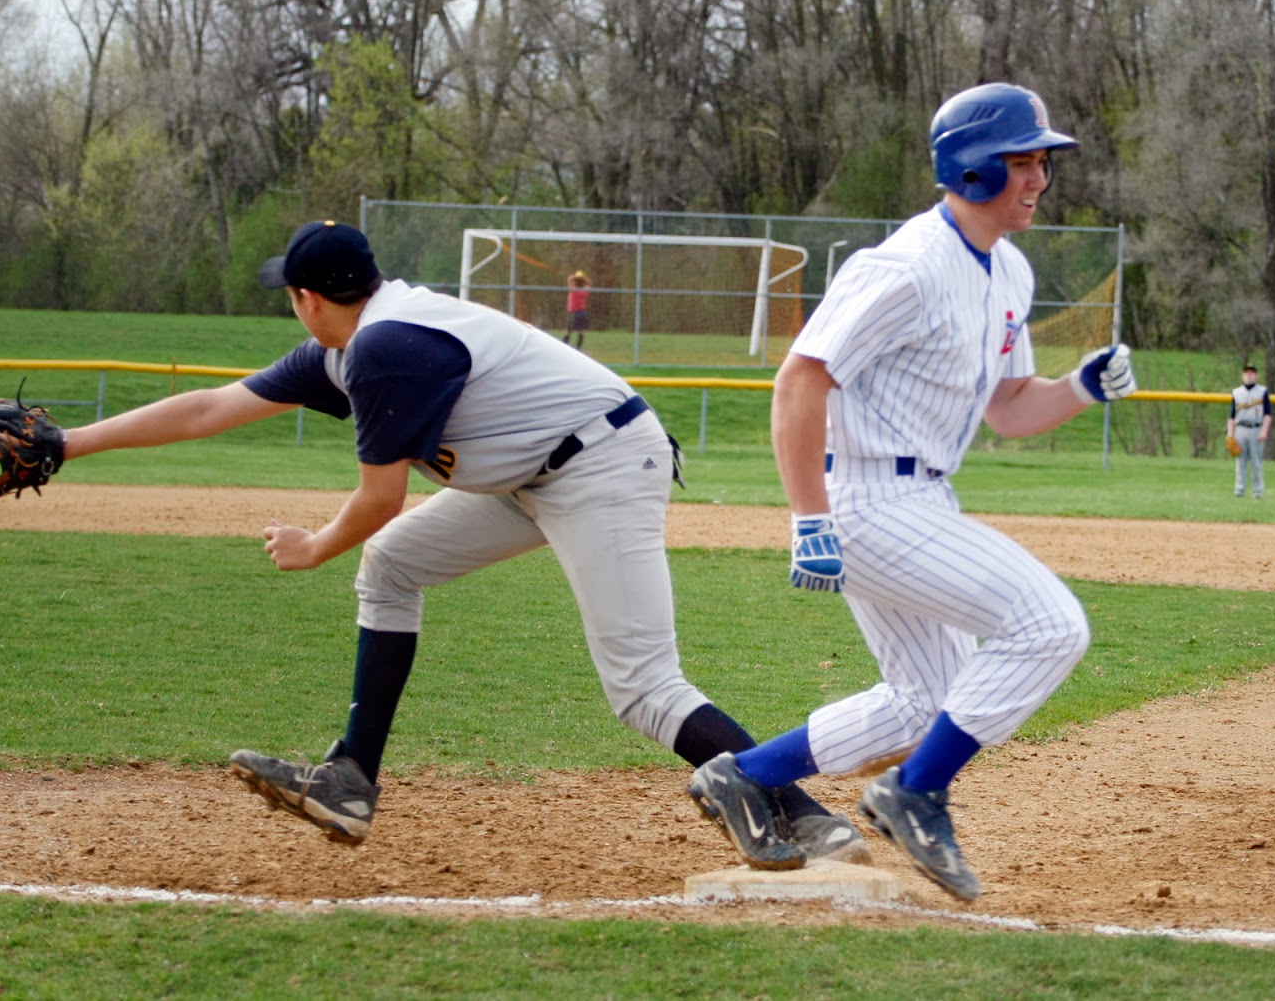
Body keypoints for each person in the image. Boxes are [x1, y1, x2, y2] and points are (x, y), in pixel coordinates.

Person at [58, 219, 868, 859]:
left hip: (602, 461)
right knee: (395, 563)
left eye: (290, 291)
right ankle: (349, 778)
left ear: (308, 297)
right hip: (533, 472)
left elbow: (380, 496)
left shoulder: (384, 347)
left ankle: (800, 810)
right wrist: (66, 444)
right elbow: (208, 407)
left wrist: (315, 546)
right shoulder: (347, 347)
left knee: (643, 686)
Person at [686, 83, 1138, 900]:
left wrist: (1080, 387)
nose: (1040, 178)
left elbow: (1007, 408)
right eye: (1024, 161)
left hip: (922, 500)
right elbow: (800, 381)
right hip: (864, 504)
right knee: (1048, 625)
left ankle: (746, 777)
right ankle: (915, 792)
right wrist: (809, 520)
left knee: (923, 704)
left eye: (1042, 162)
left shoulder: (1009, 270)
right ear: (971, 170)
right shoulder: (906, 266)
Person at [1228, 364, 1271, 498]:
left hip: (1256, 429)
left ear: (1256, 376)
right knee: (1240, 462)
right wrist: (1230, 433)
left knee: (1256, 463)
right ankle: (1239, 490)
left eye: (1252, 372)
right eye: (1247, 372)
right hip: (1240, 429)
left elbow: (1268, 414)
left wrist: (1264, 431)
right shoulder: (1236, 392)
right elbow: (1232, 416)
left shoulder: (1263, 391)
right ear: (1243, 375)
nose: (1249, 375)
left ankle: (1258, 492)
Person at [562, 269, 591, 349]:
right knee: (580, 332)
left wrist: (575, 277)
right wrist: (583, 278)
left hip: (574, 313)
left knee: (568, 331)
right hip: (582, 312)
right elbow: (589, 282)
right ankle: (578, 348)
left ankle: (564, 346)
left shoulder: (573, 289)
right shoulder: (585, 290)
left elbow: (569, 279)